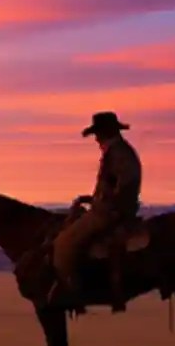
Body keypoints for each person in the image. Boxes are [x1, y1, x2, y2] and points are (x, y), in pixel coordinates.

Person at [48, 111, 143, 308]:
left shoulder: (120, 153)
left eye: (98, 134)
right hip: (107, 207)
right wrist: (89, 199)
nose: (96, 139)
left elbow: (126, 183)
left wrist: (104, 203)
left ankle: (73, 290)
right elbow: (111, 185)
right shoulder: (115, 152)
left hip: (111, 211)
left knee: (67, 241)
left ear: (106, 132)